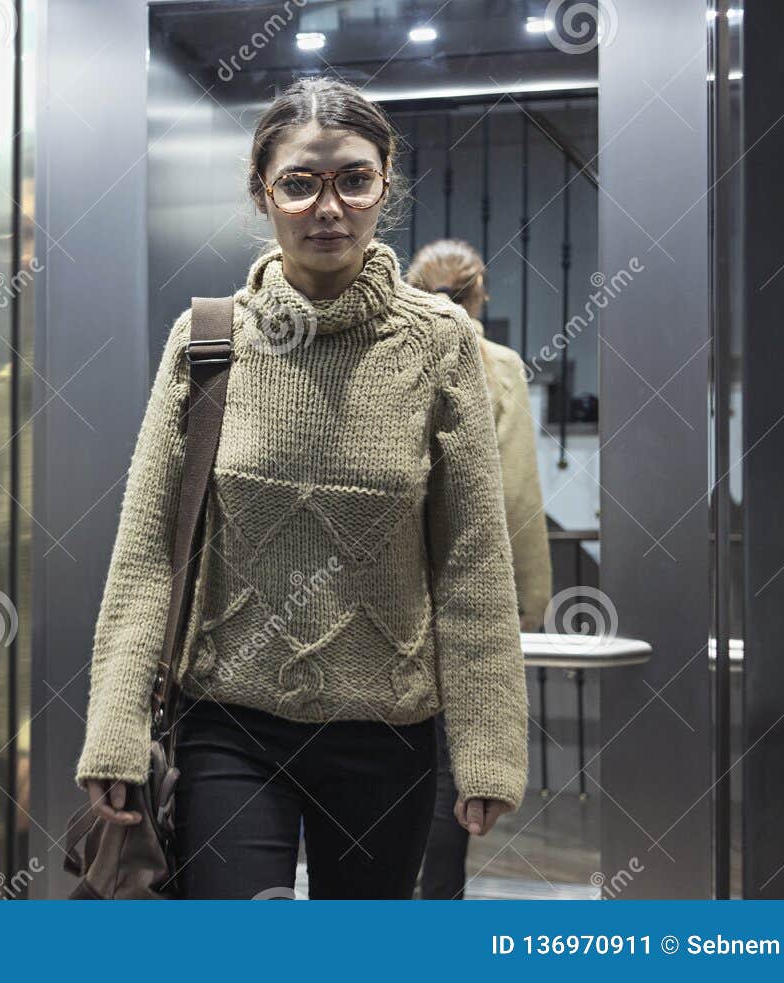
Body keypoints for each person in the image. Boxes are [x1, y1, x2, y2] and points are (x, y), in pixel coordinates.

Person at [73, 77, 528, 900]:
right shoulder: (208, 340)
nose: (329, 207)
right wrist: (114, 727)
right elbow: (145, 553)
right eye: (300, 183)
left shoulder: (442, 345)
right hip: (230, 727)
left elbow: (471, 565)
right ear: (263, 192)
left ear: (385, 185)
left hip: (387, 731)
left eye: (354, 179)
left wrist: (488, 744)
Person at [406, 238, 553, 899]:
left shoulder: (388, 359)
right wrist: (529, 602)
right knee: (447, 775)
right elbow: (516, 497)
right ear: (480, 294)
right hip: (459, 600)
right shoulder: (495, 366)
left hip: (377, 603)